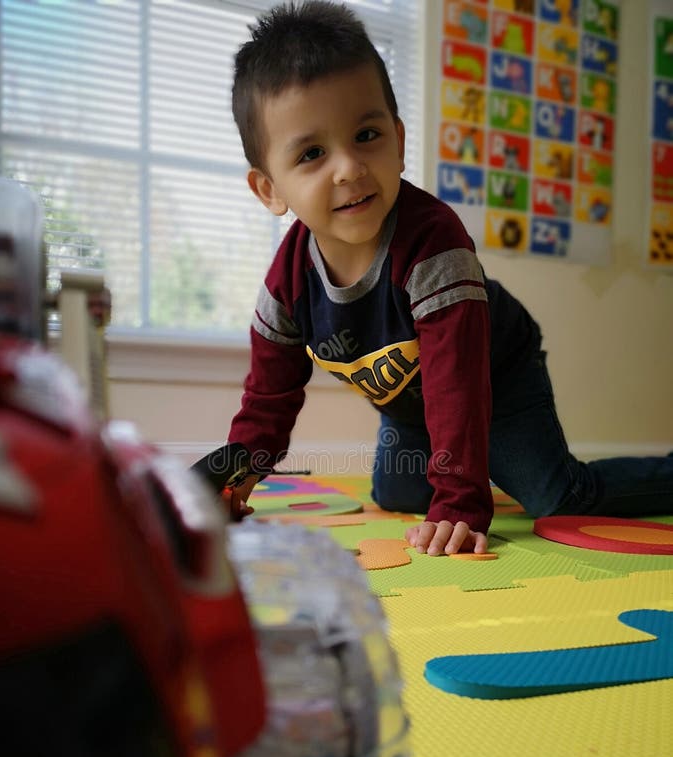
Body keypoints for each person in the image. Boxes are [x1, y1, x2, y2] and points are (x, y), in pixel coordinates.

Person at [193, 0, 673, 555]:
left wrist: (461, 502)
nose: (348, 167)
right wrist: (233, 477)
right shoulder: (286, 287)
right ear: (269, 189)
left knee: (559, 497)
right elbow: (267, 402)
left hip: (493, 374)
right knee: (396, 494)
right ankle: (470, 463)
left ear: (397, 140)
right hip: (412, 407)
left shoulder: (433, 243)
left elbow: (458, 386)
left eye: (366, 136)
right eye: (313, 153)